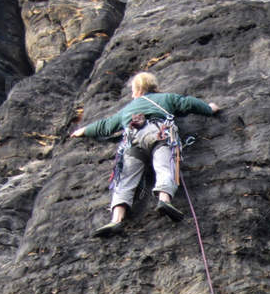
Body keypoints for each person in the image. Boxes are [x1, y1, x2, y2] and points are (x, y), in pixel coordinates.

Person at [71, 72, 220, 237]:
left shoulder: (127, 109)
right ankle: (164, 201)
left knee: (124, 179)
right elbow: (188, 103)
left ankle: (116, 219)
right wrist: (209, 109)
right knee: (164, 167)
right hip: (159, 133)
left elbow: (106, 126)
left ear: (136, 91)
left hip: (132, 140)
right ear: (154, 88)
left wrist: (83, 130)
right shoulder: (166, 98)